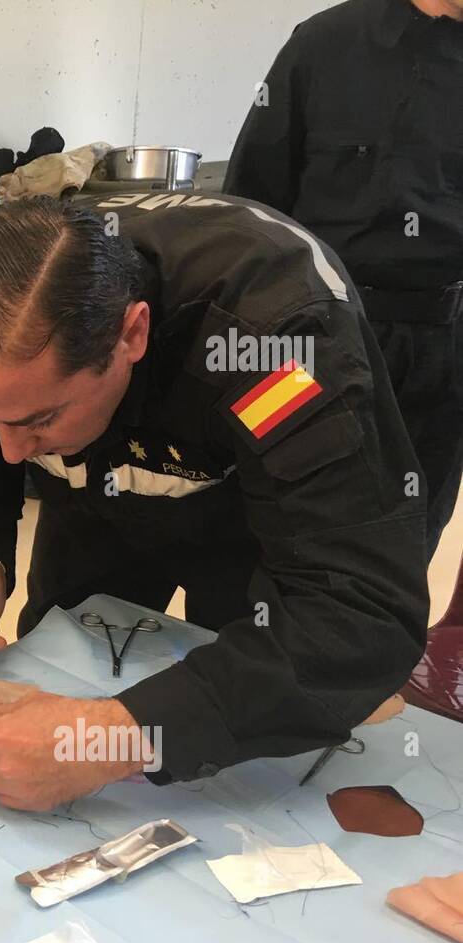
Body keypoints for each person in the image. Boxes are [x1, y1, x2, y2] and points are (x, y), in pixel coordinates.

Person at [0, 194, 428, 810]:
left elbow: (357, 614)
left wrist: (111, 740)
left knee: (236, 729)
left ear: (131, 333)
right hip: (94, 506)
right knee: (64, 662)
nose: (10, 453)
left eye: (37, 419)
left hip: (253, 516)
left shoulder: (272, 345)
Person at [224, 0, 463, 555]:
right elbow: (248, 209)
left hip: (442, 350)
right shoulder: (325, 43)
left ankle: (385, 642)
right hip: (309, 334)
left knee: (409, 538)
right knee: (271, 528)